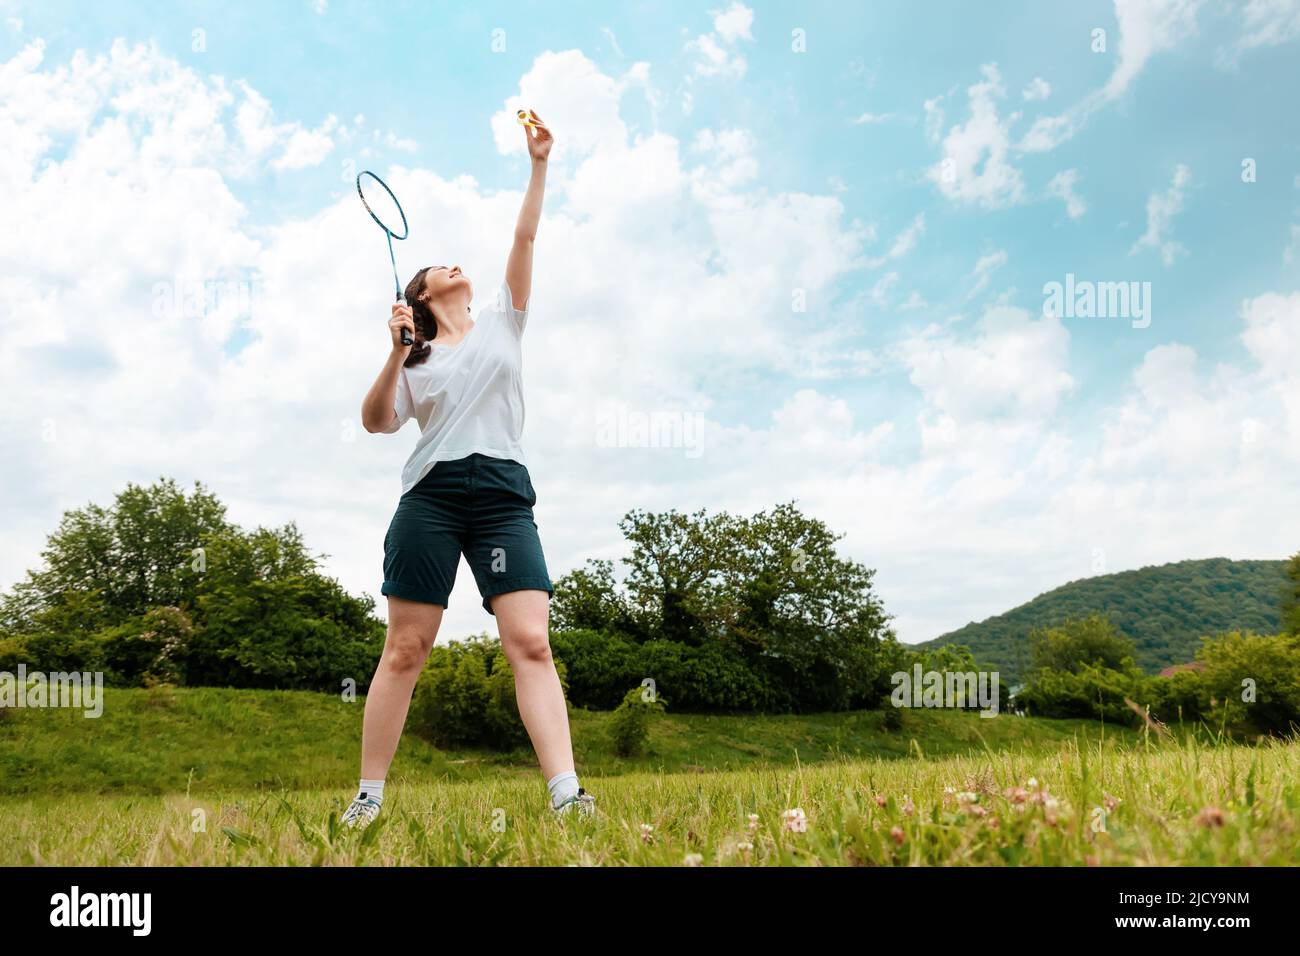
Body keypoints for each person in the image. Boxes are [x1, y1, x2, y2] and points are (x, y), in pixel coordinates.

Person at [345, 109, 593, 827]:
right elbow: (375, 422)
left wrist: (540, 162)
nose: (457, 267)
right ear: (422, 296)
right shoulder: (415, 360)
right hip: (431, 497)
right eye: (439, 269)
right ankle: (368, 800)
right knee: (406, 649)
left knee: (531, 641)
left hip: (502, 495)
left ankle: (567, 796)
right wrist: (394, 350)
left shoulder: (504, 319)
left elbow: (524, 234)